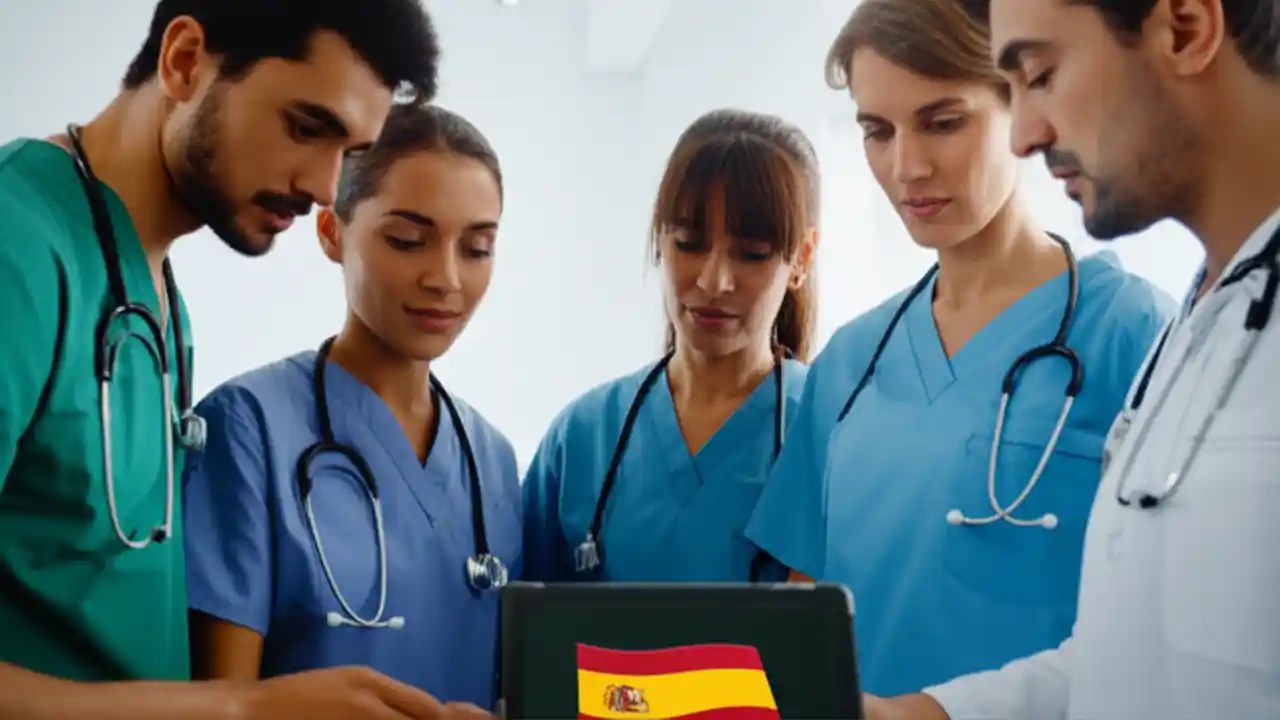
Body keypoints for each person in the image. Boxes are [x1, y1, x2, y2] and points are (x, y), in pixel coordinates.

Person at [0, 1, 477, 717]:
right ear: (185, 61)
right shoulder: (19, 246)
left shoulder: (154, 292)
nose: (325, 185)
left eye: (349, 153)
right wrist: (239, 709)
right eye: (306, 127)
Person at [743, 0, 1176, 700]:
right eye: (876, 131)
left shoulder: (1135, 336)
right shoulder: (850, 366)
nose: (906, 166)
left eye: (943, 122)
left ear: (1023, 103)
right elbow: (804, 628)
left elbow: (1175, 627)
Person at [864, 0, 1280, 718]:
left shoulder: (1136, 321)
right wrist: (920, 714)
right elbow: (1130, 658)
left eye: (1042, 74)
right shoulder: (1202, 325)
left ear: (1184, 28)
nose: (1025, 135)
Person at [181, 101, 519, 713]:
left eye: (476, 248)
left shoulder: (490, 460)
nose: (445, 278)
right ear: (332, 233)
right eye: (408, 240)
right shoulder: (249, 427)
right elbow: (218, 705)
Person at [521, 108, 819, 583]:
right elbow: (523, 634)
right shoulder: (583, 438)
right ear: (660, 239)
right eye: (689, 243)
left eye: (752, 254)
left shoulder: (827, 433)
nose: (713, 280)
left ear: (801, 259)